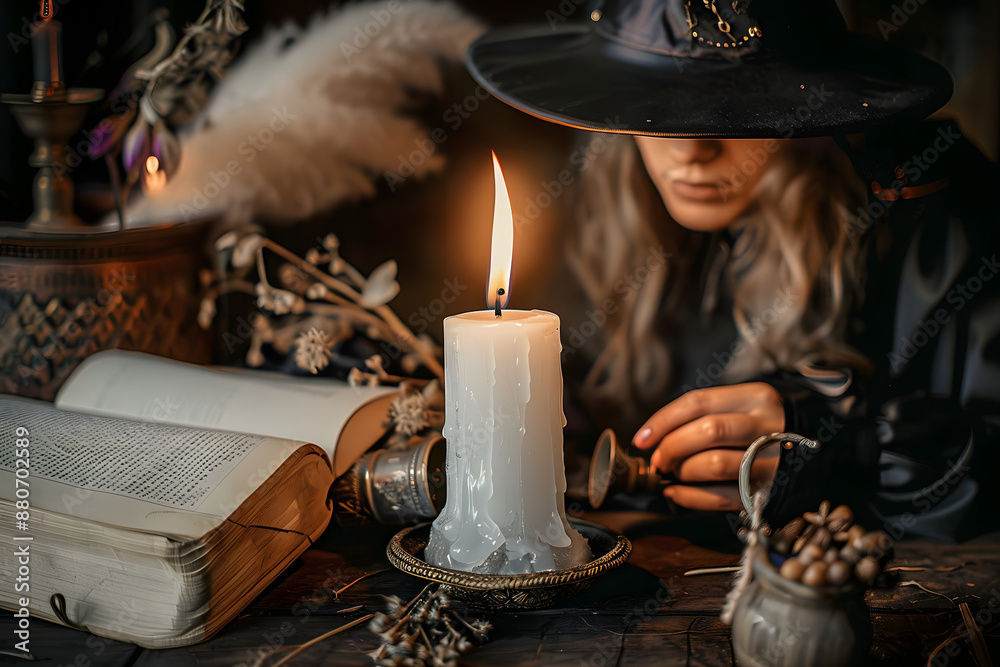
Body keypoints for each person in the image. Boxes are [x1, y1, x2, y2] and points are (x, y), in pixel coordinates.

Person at [466, 0, 1000, 540]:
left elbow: (988, 470)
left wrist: (847, 451)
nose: (693, 152)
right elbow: (574, 391)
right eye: (657, 109)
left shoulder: (932, 205)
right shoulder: (607, 194)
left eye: (736, 112)